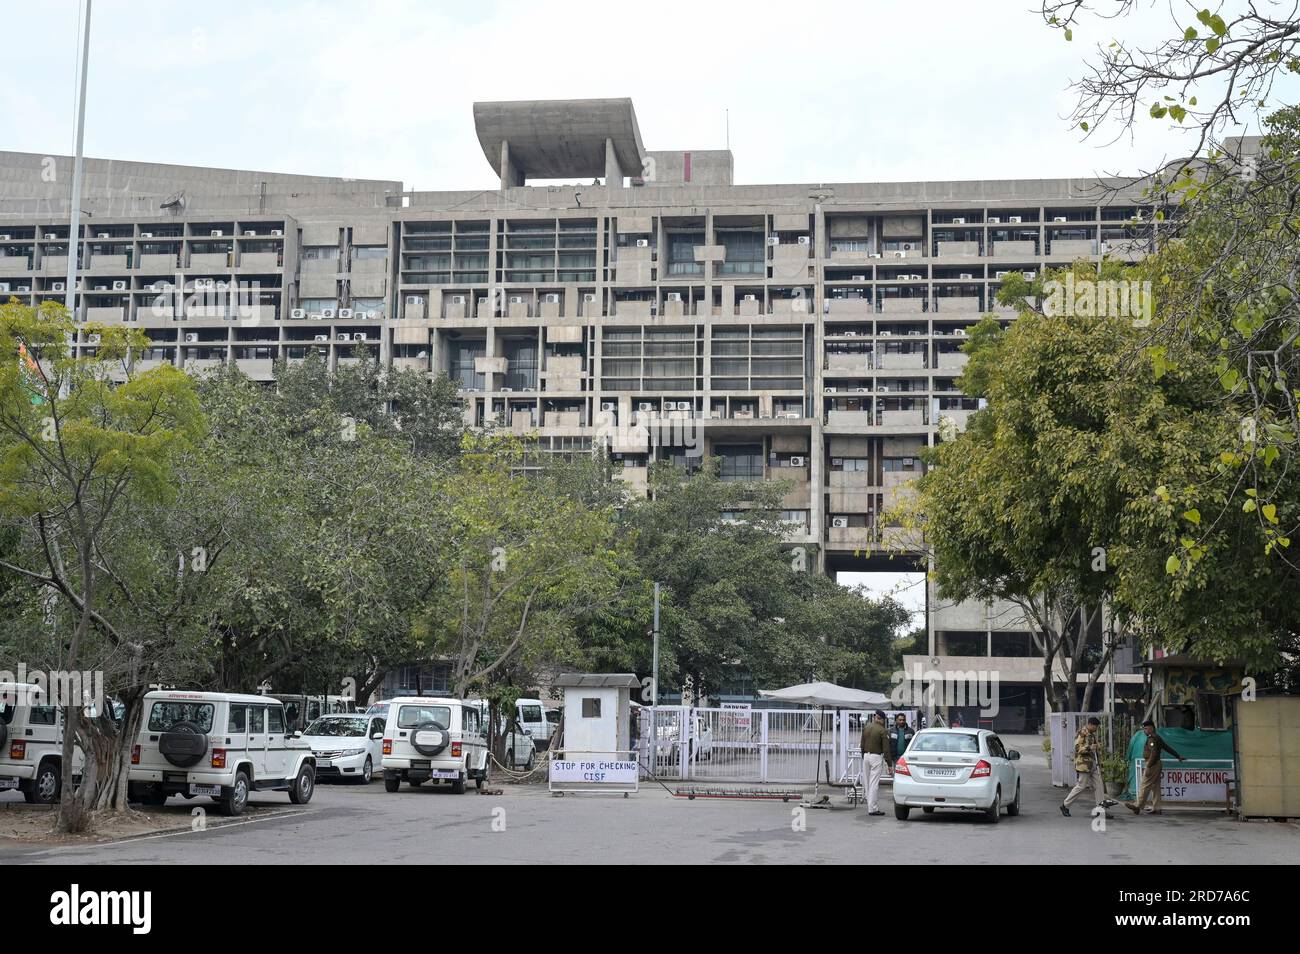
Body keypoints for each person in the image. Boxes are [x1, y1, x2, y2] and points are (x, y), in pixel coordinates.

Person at [1125, 719, 1185, 815]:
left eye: (1146, 728)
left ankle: (1138, 806)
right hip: (1157, 764)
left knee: (1144, 785)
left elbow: (1154, 753)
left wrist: (1148, 766)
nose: (1144, 730)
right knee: (1156, 787)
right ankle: (1157, 808)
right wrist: (1177, 755)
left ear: (1151, 728)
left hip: (1152, 764)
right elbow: (1166, 747)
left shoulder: (1151, 739)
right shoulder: (1157, 737)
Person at [1061, 716, 1114, 817]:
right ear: (1090, 725)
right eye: (1096, 727)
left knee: (1099, 786)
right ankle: (1065, 805)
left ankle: (1100, 810)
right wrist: (1089, 747)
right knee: (1081, 786)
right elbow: (1077, 748)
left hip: (1093, 764)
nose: (1096, 729)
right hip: (1084, 765)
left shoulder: (1091, 735)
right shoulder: (1082, 733)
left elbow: (1095, 747)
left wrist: (1098, 746)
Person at [860, 709, 891, 816]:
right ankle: (872, 808)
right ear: (881, 719)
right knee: (874, 784)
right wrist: (889, 764)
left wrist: (863, 755)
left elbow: (862, 743)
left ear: (874, 717)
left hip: (866, 756)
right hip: (876, 757)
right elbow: (886, 749)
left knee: (867, 783)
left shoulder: (867, 727)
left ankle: (870, 806)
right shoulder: (883, 730)